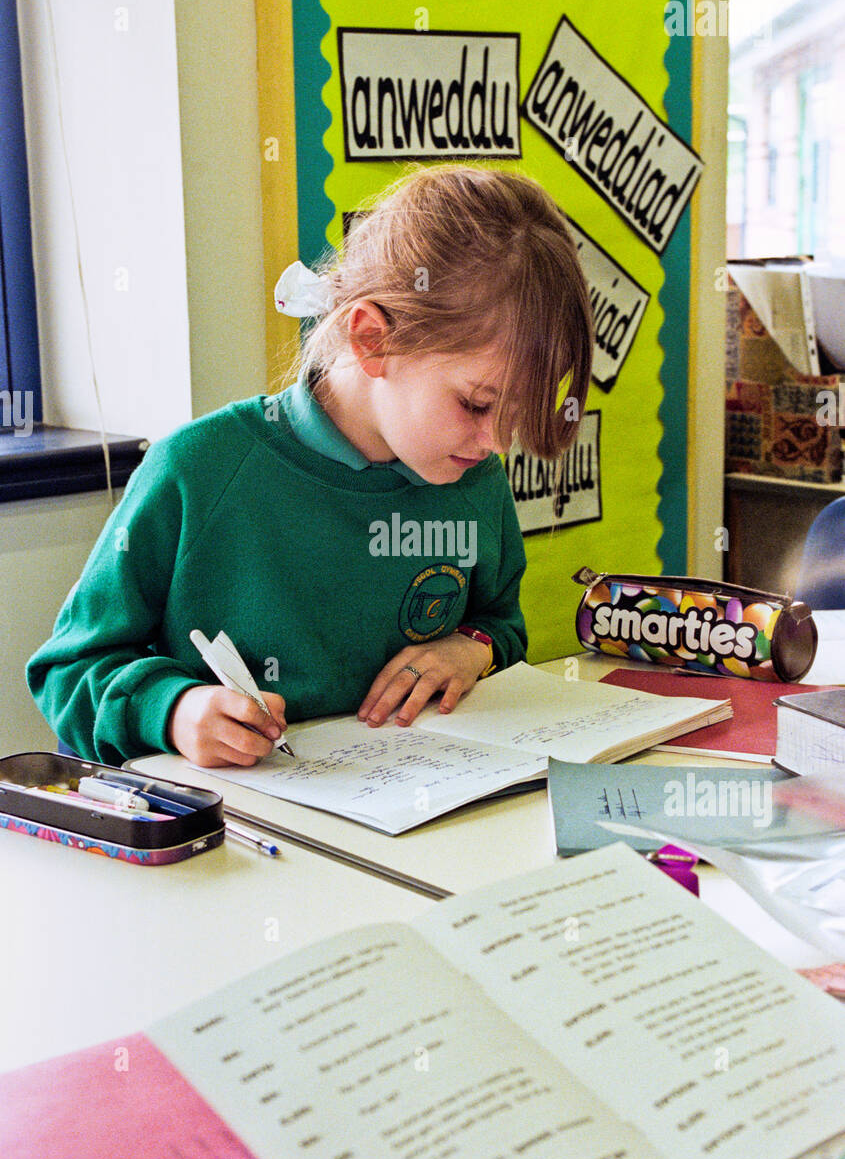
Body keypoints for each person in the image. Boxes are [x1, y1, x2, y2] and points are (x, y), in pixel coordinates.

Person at [26, 164, 593, 767]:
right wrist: (173, 710)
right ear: (372, 341)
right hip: (232, 839)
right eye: (478, 403)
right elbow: (69, 671)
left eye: (517, 411)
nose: (498, 441)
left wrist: (472, 649)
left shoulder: (470, 473)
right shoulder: (198, 470)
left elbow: (500, 624)